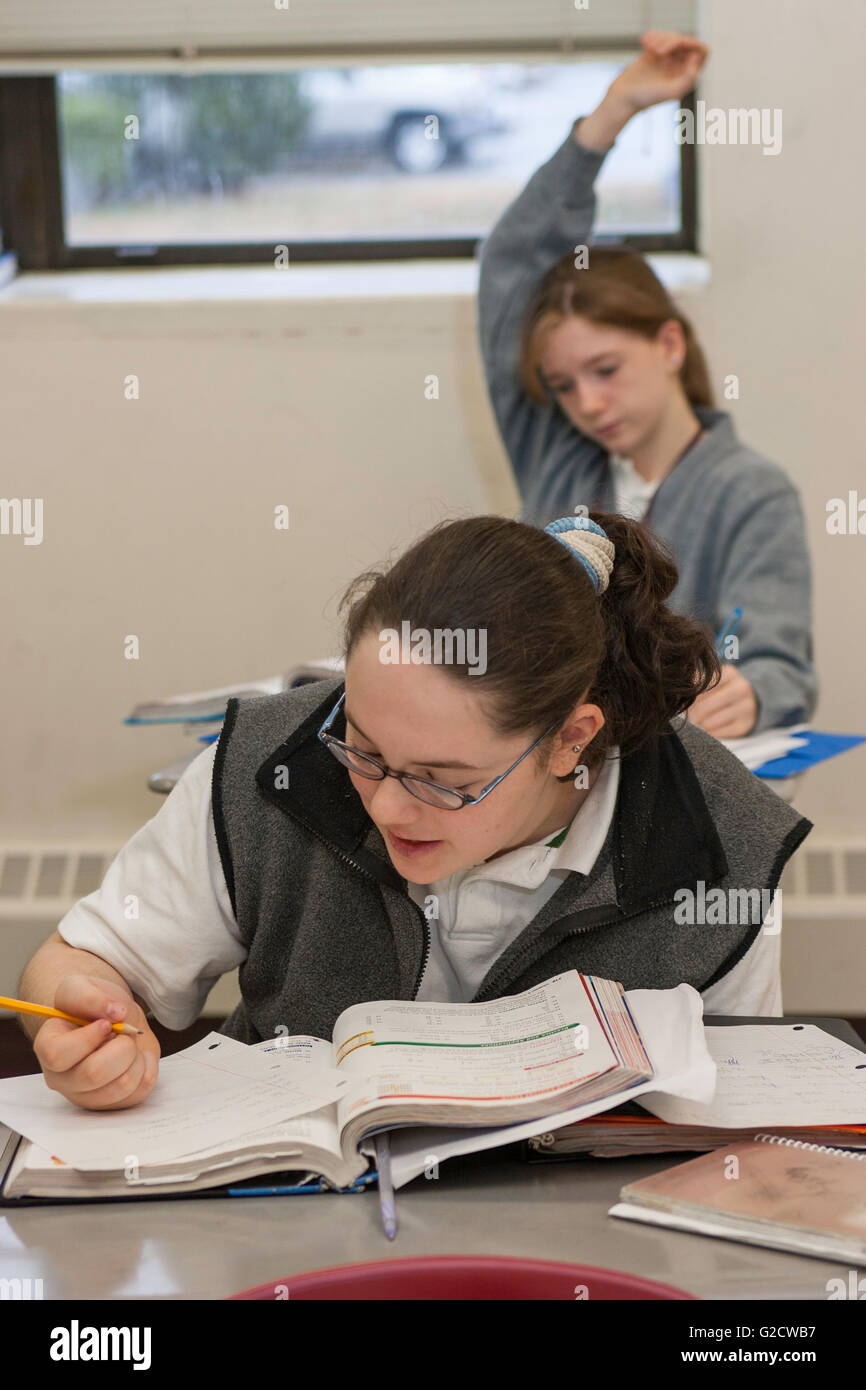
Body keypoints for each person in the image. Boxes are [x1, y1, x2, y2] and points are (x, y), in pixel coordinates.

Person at [19, 510, 811, 1111]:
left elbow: (738, 1110)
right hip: (295, 1222)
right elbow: (80, 964)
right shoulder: (273, 762)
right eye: (362, 748)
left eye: (441, 778)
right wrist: (80, 1020)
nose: (388, 803)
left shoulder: (715, 842)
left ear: (571, 739)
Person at [478, 29, 817, 738]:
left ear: (668, 343)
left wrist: (754, 691)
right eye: (563, 385)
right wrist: (611, 115)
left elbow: (781, 668)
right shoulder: (556, 452)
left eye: (605, 371)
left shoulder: (749, 491)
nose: (587, 404)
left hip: (670, 779)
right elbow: (511, 265)